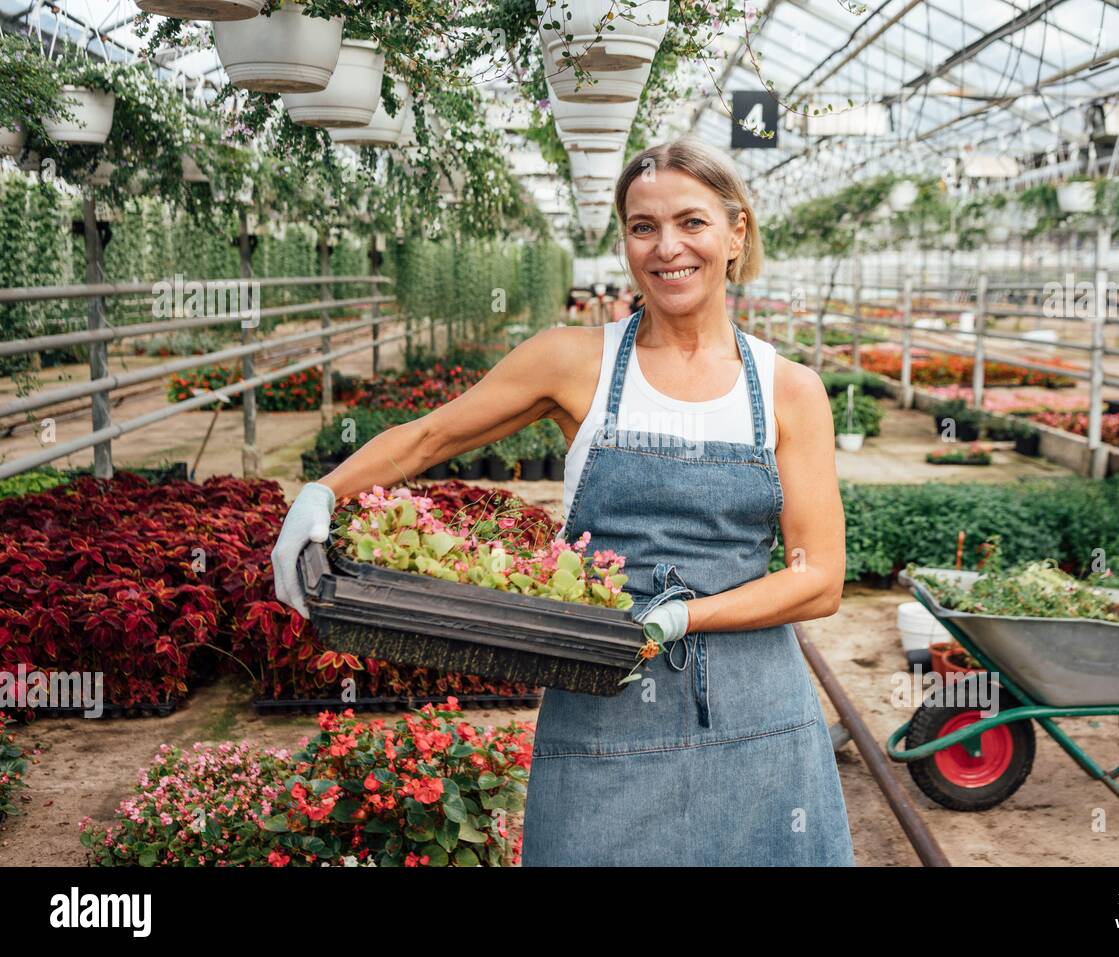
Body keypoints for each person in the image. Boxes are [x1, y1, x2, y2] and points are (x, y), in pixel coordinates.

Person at [270, 135, 855, 867]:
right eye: (643, 227)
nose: (667, 246)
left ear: (737, 232)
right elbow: (428, 436)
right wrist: (322, 491)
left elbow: (818, 577)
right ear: (624, 242)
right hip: (603, 705)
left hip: (756, 722)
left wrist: (681, 616)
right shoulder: (575, 361)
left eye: (692, 222)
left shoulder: (787, 389)